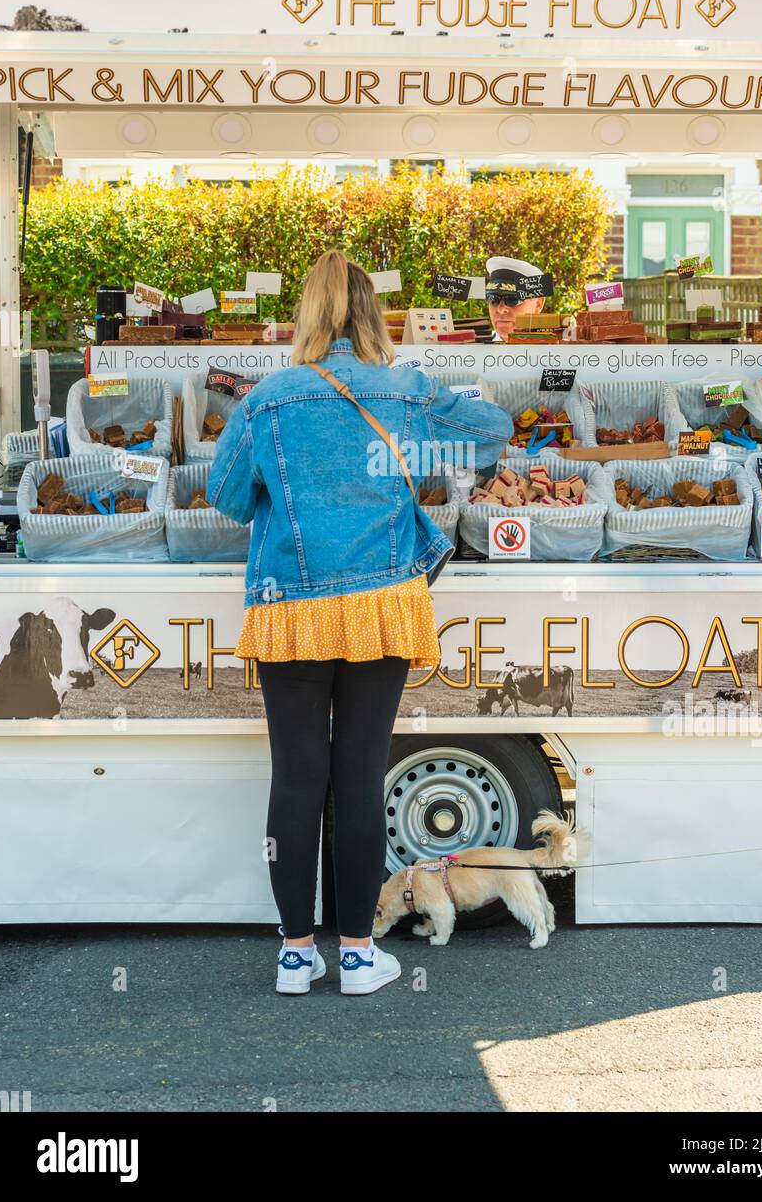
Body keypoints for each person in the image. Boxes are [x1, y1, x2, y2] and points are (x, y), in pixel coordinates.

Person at [207, 249, 512, 996]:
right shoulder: (405, 390)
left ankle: (292, 954)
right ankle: (355, 954)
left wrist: (288, 490)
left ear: (305, 318)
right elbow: (491, 429)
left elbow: (227, 497)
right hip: (381, 602)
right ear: (374, 316)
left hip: (290, 604)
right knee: (358, 775)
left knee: (297, 777)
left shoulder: (269, 398)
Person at [485, 255, 551, 342]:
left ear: (538, 304)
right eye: (493, 299)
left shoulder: (559, 352)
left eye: (512, 299)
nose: (501, 309)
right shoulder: (470, 350)